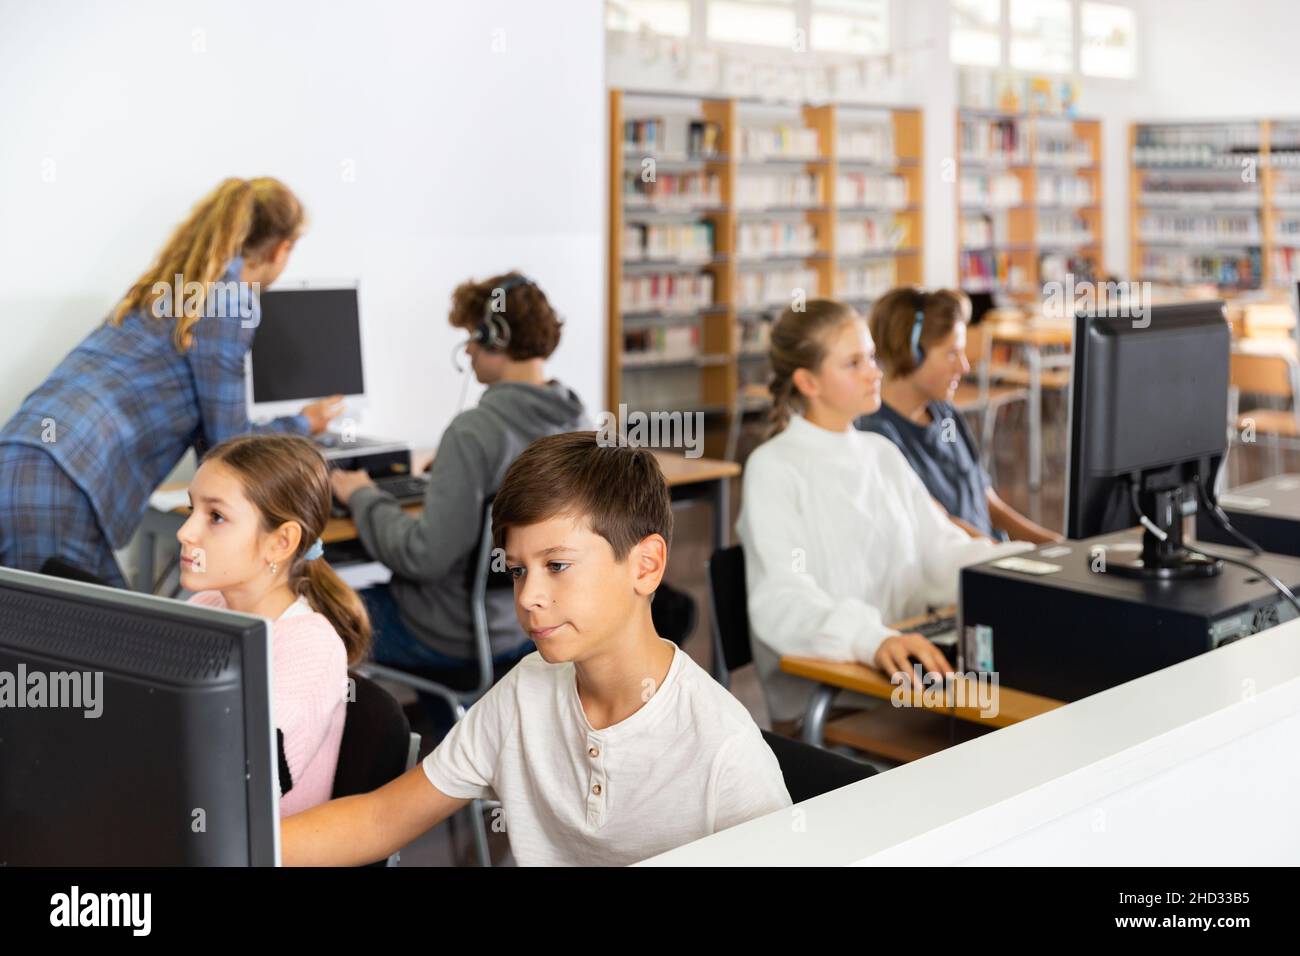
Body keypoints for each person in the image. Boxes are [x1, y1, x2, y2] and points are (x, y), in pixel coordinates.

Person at [284, 431, 791, 866]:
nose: (528, 597)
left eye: (558, 565)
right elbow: (379, 820)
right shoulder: (527, 690)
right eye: (520, 569)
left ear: (645, 565)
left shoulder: (724, 752)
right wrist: (228, 847)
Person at [0, 177, 342, 587]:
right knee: (100, 641)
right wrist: (304, 425)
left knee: (79, 636)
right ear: (282, 248)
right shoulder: (229, 301)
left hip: (30, 463)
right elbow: (230, 450)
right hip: (59, 482)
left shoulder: (174, 289)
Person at [736, 299, 1033, 732]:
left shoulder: (881, 453)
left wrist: (1024, 564)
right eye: (854, 363)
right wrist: (870, 640)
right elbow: (783, 599)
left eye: (872, 357)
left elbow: (938, 551)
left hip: (902, 678)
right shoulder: (774, 467)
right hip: (829, 699)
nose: (875, 372)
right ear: (808, 382)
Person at [331, 273, 586, 669]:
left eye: (471, 336)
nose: (467, 350)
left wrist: (363, 496)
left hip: (459, 632)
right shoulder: (582, 426)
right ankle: (458, 724)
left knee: (325, 610)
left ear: (494, 338)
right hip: (540, 623)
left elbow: (423, 558)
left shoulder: (473, 434)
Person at [179, 434, 370, 816]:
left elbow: (241, 781)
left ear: (281, 543)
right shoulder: (205, 605)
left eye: (215, 516)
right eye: (191, 509)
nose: (186, 532)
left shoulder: (310, 647)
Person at [857, 287, 1060, 544]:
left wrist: (1051, 543)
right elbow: (939, 528)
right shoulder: (878, 437)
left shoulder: (944, 413)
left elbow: (984, 499)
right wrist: (1008, 558)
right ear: (910, 354)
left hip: (991, 557)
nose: (964, 367)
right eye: (952, 353)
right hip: (960, 568)